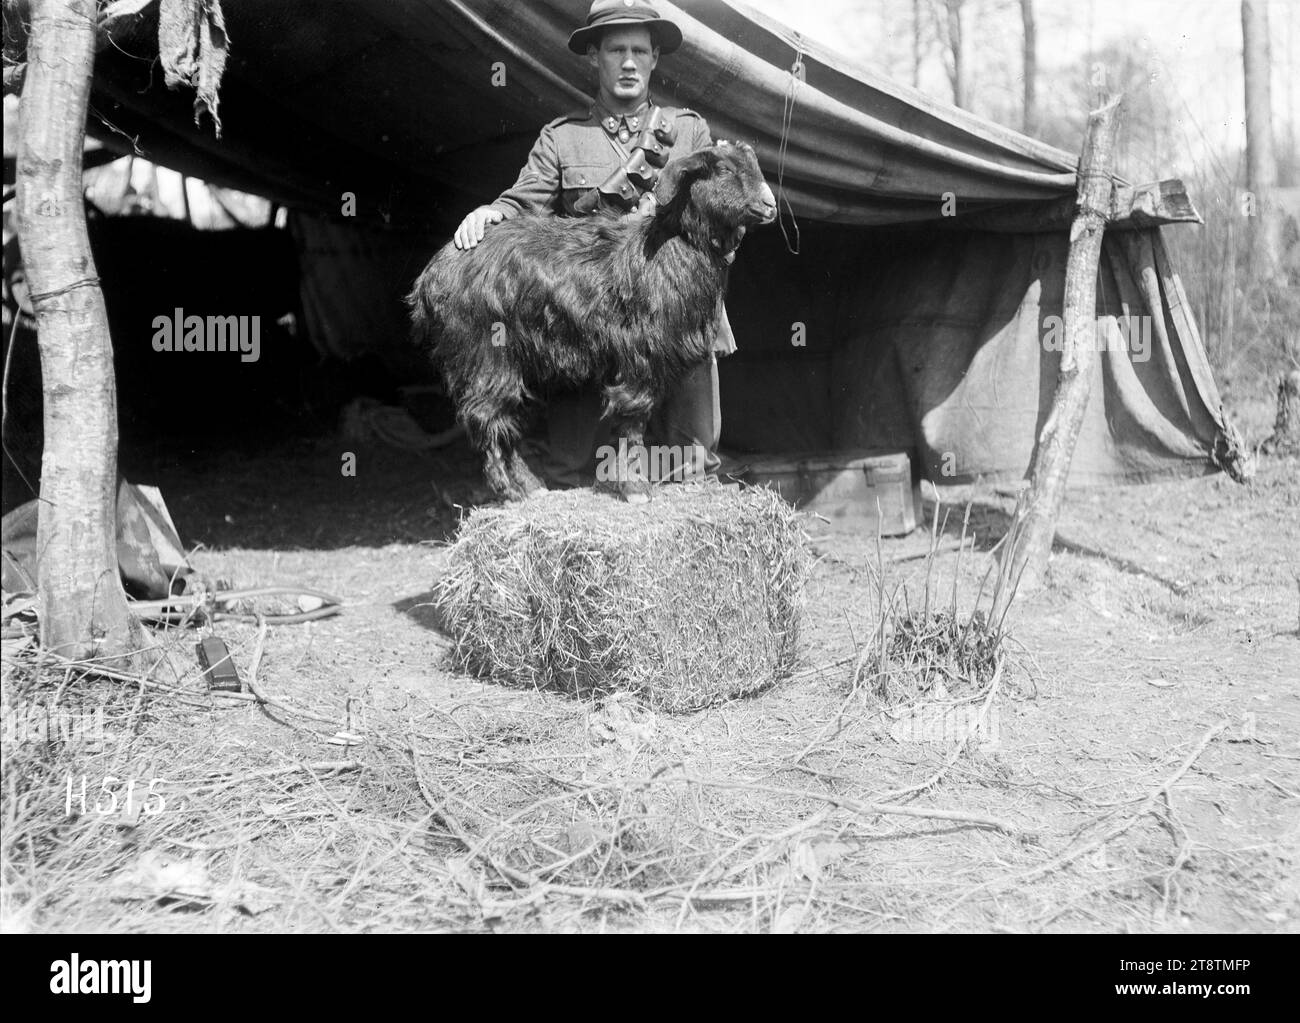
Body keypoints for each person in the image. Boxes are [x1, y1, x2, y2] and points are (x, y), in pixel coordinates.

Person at [452, 0, 732, 489]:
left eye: (639, 51)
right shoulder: (562, 140)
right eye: (616, 49)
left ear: (655, 59)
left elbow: (723, 221)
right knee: (577, 472)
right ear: (594, 58)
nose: (628, 62)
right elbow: (521, 204)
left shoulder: (688, 133)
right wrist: (489, 212)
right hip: (594, 331)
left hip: (677, 326)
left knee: (689, 468)